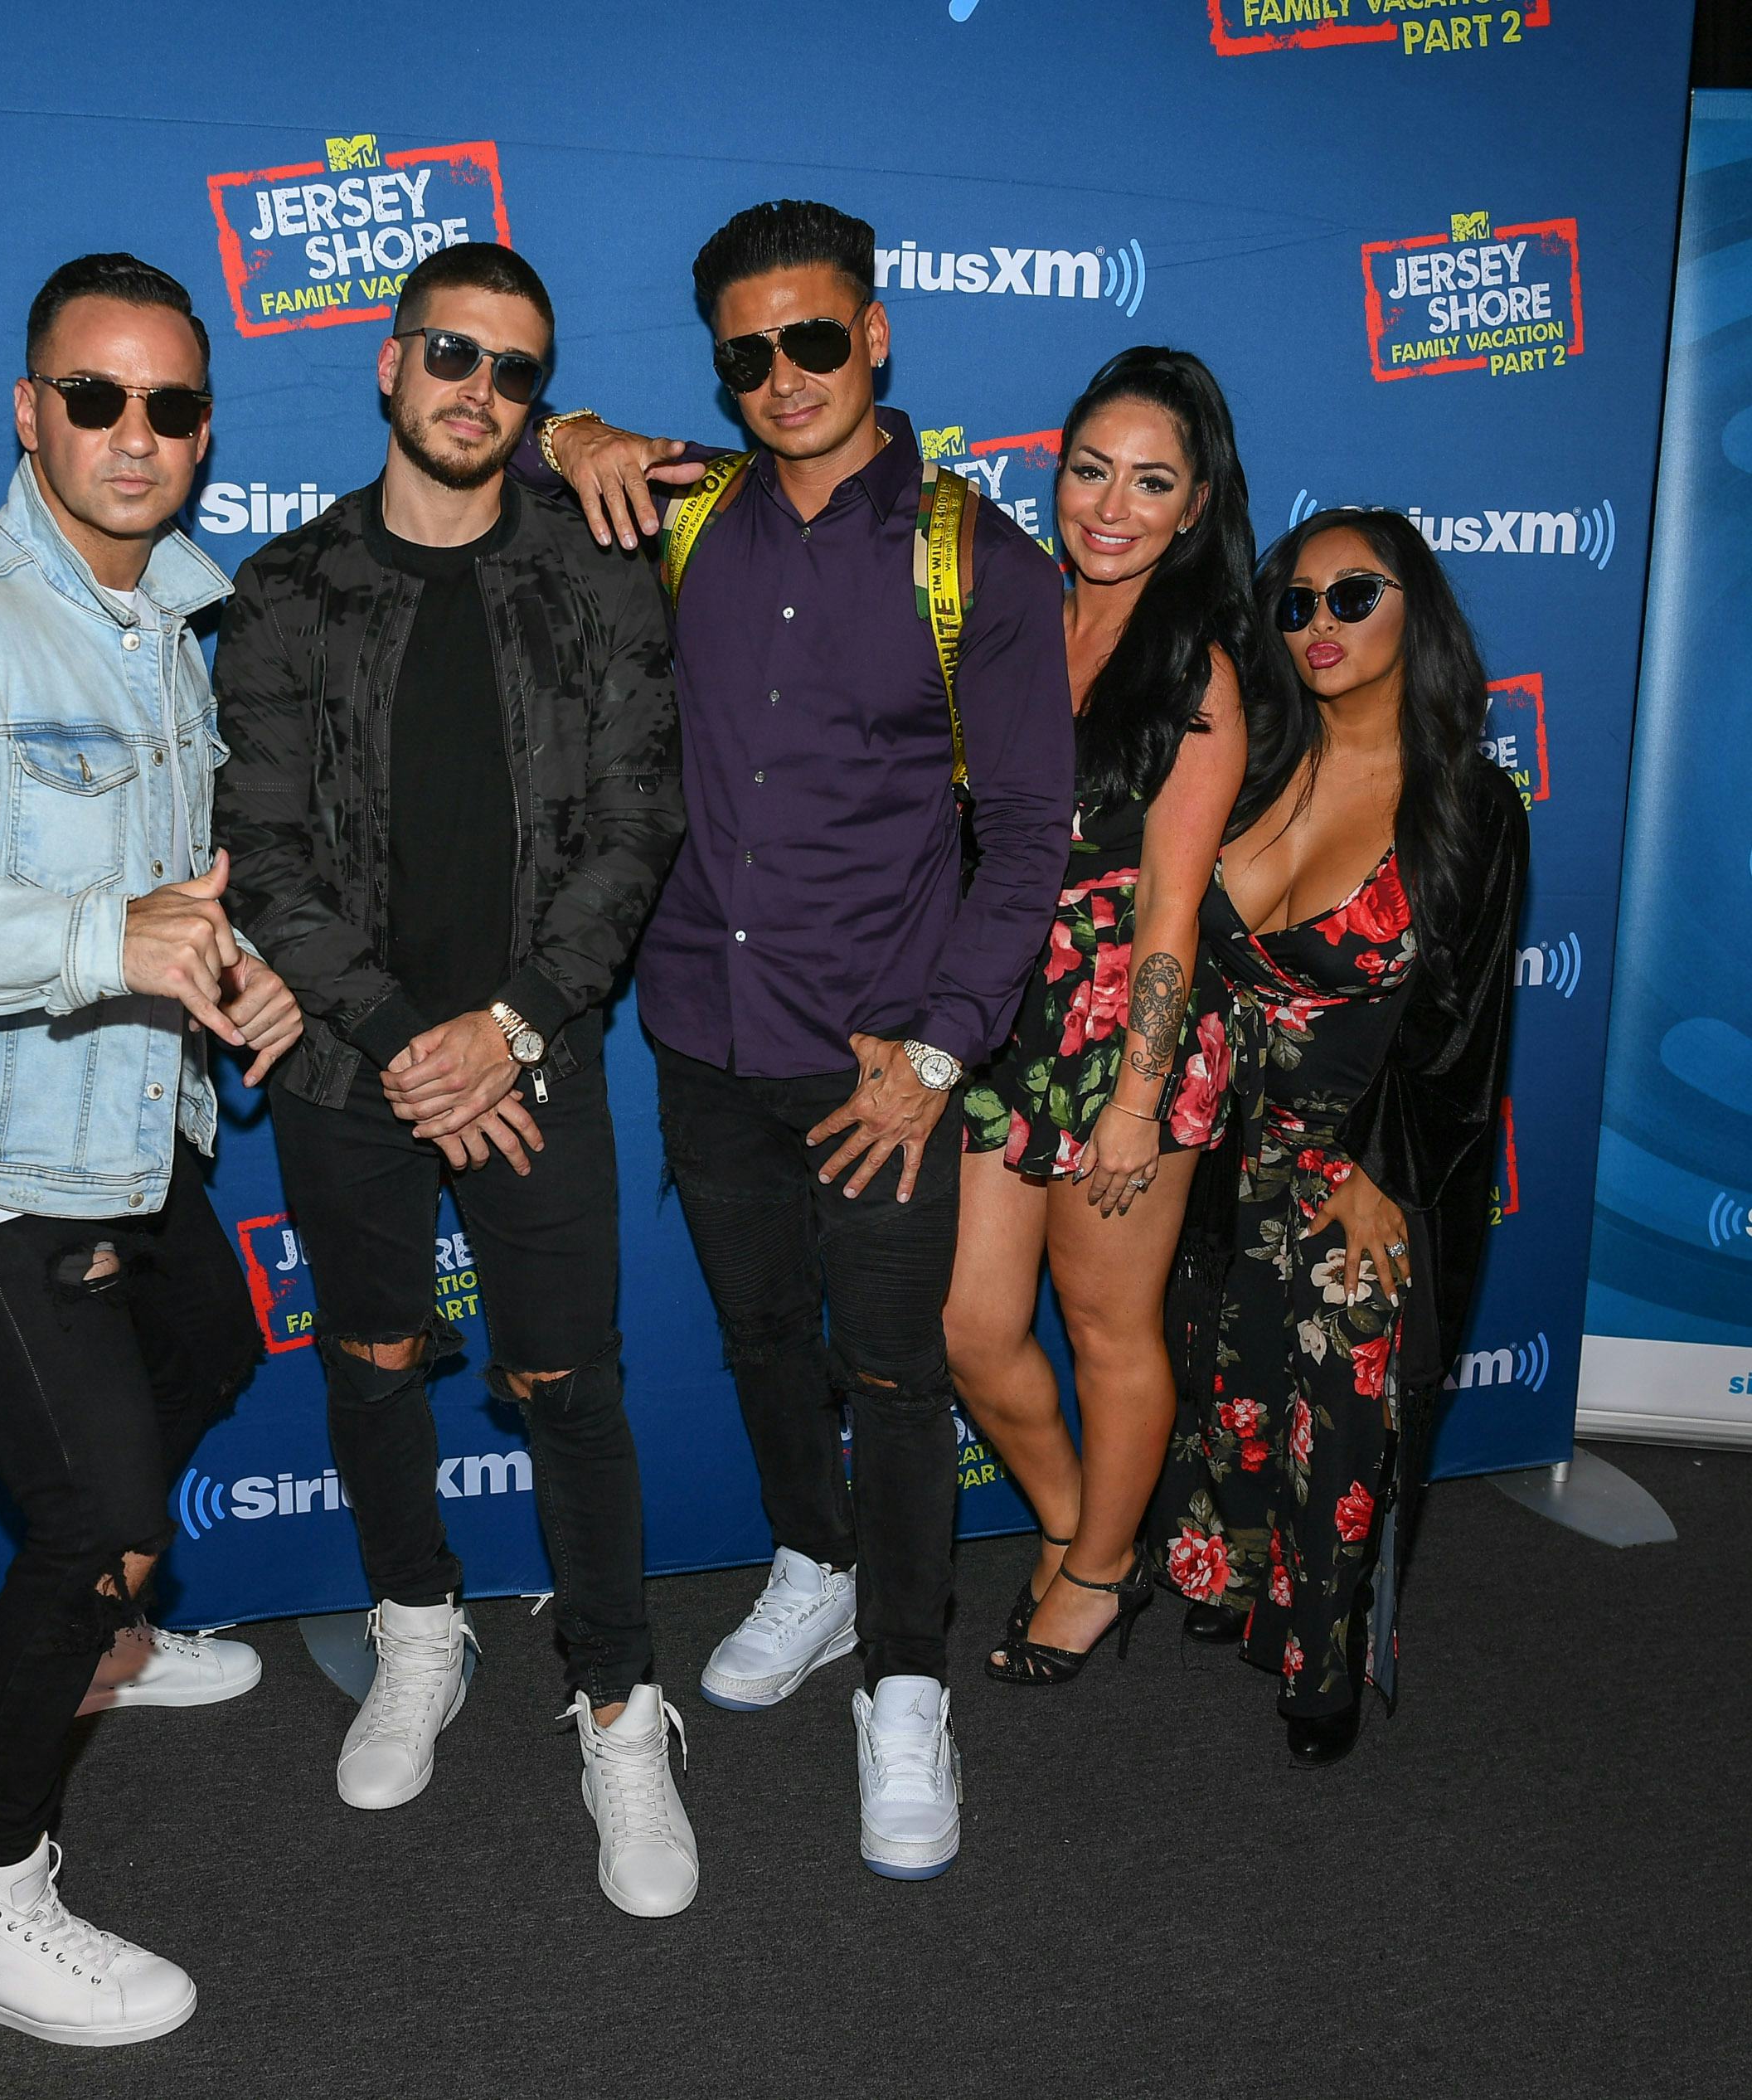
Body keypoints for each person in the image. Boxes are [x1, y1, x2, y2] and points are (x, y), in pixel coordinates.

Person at [524, 199, 1073, 1878]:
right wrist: (571, 428)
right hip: (703, 1028)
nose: (784, 375)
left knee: (899, 1380)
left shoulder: (980, 559)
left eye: (815, 339)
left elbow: (1029, 840)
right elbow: (497, 439)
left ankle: (907, 1686)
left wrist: (942, 1053)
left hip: (878, 1064)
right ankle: (815, 1565)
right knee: (764, 1335)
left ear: (876, 335)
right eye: (748, 353)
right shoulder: (687, 508)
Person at [0, 253, 301, 2044]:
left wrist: (220, 966)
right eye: (95, 398)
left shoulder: (164, 619)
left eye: (171, 405)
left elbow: (152, 889)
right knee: (98, 1510)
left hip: (123, 1117)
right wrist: (114, 941)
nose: (133, 434)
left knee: (212, 1350)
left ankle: (104, 1630)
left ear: (203, 431)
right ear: (30, 412)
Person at [214, 243, 694, 1915]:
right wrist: (411, 1042)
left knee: (571, 1387)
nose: (477, 390)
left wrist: (516, 1025)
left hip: (534, 1057)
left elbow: (639, 822)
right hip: (351, 1065)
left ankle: (619, 1706)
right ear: (388, 361)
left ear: (539, 397)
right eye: (450, 354)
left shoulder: (599, 575)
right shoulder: (285, 587)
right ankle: (416, 1626)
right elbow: (262, 848)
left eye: (515, 370)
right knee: (370, 1360)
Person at [1151, 507, 1526, 1766]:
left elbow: (1465, 1033)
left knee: (1345, 1390)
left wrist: (1380, 1174)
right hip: (1223, 1148)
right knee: (1222, 1368)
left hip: (1366, 1159)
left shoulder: (1468, 804)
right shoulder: (1248, 765)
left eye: (1354, 596)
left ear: (1418, 614)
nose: (1320, 624)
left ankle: (1324, 1659)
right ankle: (1229, 1569)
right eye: (1297, 602)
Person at [942, 348, 1259, 1684]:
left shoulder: (1198, 674)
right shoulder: (1015, 621)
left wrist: (1137, 1101)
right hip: (1001, 1015)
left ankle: (1094, 1571)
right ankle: (1092, 1531)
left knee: (1106, 1326)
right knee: (970, 1326)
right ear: (1055, 473)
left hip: (1130, 1030)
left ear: (1196, 507)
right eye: (1090, 471)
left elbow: (1173, 912)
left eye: (1152, 482)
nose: (1112, 507)